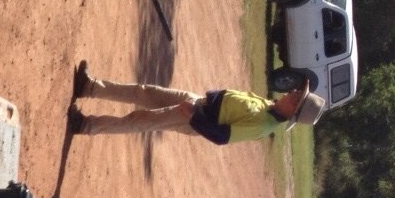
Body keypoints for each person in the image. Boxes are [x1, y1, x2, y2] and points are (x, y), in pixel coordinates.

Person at [66, 60, 326, 141]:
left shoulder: (263, 125)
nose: (292, 91)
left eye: (297, 96)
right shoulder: (269, 105)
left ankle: (86, 126)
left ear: (295, 109)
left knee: (139, 120)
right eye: (297, 91)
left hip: (193, 117)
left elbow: (220, 136)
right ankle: (89, 87)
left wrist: (193, 115)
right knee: (143, 92)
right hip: (196, 102)